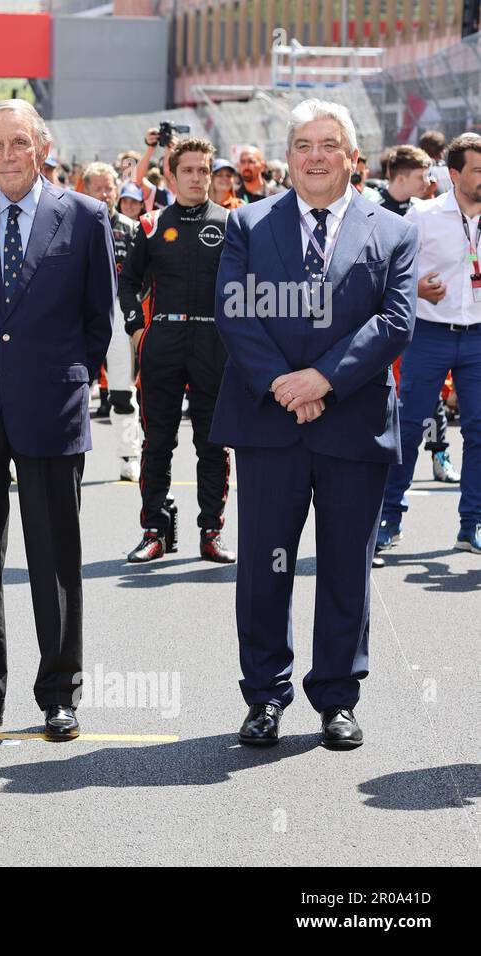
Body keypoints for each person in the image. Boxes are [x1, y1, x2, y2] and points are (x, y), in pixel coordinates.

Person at [214, 100, 417, 750]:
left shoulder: (393, 231)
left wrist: (323, 379)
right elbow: (235, 311)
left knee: (344, 569)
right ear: (289, 156)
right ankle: (265, 697)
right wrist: (283, 382)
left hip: (351, 424)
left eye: (330, 144)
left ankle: (336, 697)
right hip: (268, 422)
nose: (316, 155)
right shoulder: (246, 224)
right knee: (264, 569)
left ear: (352, 158)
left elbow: (395, 320)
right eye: (304, 144)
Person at [0, 100, 114, 741]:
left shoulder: (87, 217)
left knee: (55, 557)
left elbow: (99, 321)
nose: (6, 156)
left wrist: (63, 378)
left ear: (42, 147)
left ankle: (58, 694)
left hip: (50, 410)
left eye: (18, 143)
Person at [119, 137, 235, 563]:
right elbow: (127, 282)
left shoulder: (231, 224)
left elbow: (247, 288)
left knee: (213, 443)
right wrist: (136, 328)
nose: (197, 178)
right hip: (163, 341)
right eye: (187, 170)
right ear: (171, 175)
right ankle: (154, 530)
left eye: (204, 170)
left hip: (213, 344)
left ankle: (212, 532)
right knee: (157, 442)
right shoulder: (150, 225)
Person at [378, 133, 481, 556]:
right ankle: (389, 518)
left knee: (478, 434)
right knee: (407, 428)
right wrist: (416, 287)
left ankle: (471, 524)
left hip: (478, 338)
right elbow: (390, 269)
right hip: (429, 335)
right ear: (455, 174)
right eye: (477, 169)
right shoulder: (422, 215)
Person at [80, 161, 142, 481]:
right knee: (72, 388)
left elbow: (143, 277)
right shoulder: (73, 223)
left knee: (122, 390)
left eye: (109, 187)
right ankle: (58, 451)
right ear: (85, 189)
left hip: (119, 316)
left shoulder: (132, 229)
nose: (105, 194)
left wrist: (133, 314)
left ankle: (129, 454)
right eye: (98, 188)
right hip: (81, 316)